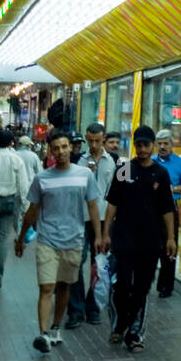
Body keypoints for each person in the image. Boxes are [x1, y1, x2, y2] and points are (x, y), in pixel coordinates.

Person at [14, 129, 101, 354]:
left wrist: (100, 236)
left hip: (73, 241)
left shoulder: (84, 175)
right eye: (56, 148)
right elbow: (32, 210)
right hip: (47, 240)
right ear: (50, 151)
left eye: (64, 147)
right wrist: (21, 238)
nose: (61, 152)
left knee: (64, 287)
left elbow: (92, 206)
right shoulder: (41, 178)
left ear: (70, 148)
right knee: (47, 287)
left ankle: (54, 328)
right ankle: (43, 334)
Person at [100, 125, 175, 353]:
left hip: (150, 241)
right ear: (134, 145)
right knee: (121, 285)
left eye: (146, 145)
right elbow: (113, 202)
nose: (142, 149)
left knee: (142, 288)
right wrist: (105, 233)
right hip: (123, 238)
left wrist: (171, 237)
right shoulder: (126, 169)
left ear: (152, 146)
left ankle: (134, 334)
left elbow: (167, 209)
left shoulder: (160, 174)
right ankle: (121, 322)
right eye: (138, 145)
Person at [66, 123, 116, 329]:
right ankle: (75, 310)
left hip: (107, 219)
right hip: (81, 218)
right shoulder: (77, 161)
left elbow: (123, 192)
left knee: (100, 265)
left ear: (104, 139)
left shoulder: (119, 162)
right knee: (76, 261)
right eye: (90, 141)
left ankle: (93, 307)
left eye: (98, 141)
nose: (94, 145)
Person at [152, 129, 181, 298]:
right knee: (150, 245)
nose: (162, 147)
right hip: (151, 208)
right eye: (159, 144)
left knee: (169, 246)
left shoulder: (179, 163)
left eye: (165, 144)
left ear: (172, 145)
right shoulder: (150, 161)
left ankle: (166, 286)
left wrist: (173, 189)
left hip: (171, 208)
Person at [0, 130, 30, 289]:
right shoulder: (16, 159)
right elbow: (23, 185)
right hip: (7, 202)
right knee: (1, 239)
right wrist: (26, 207)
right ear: (11, 143)